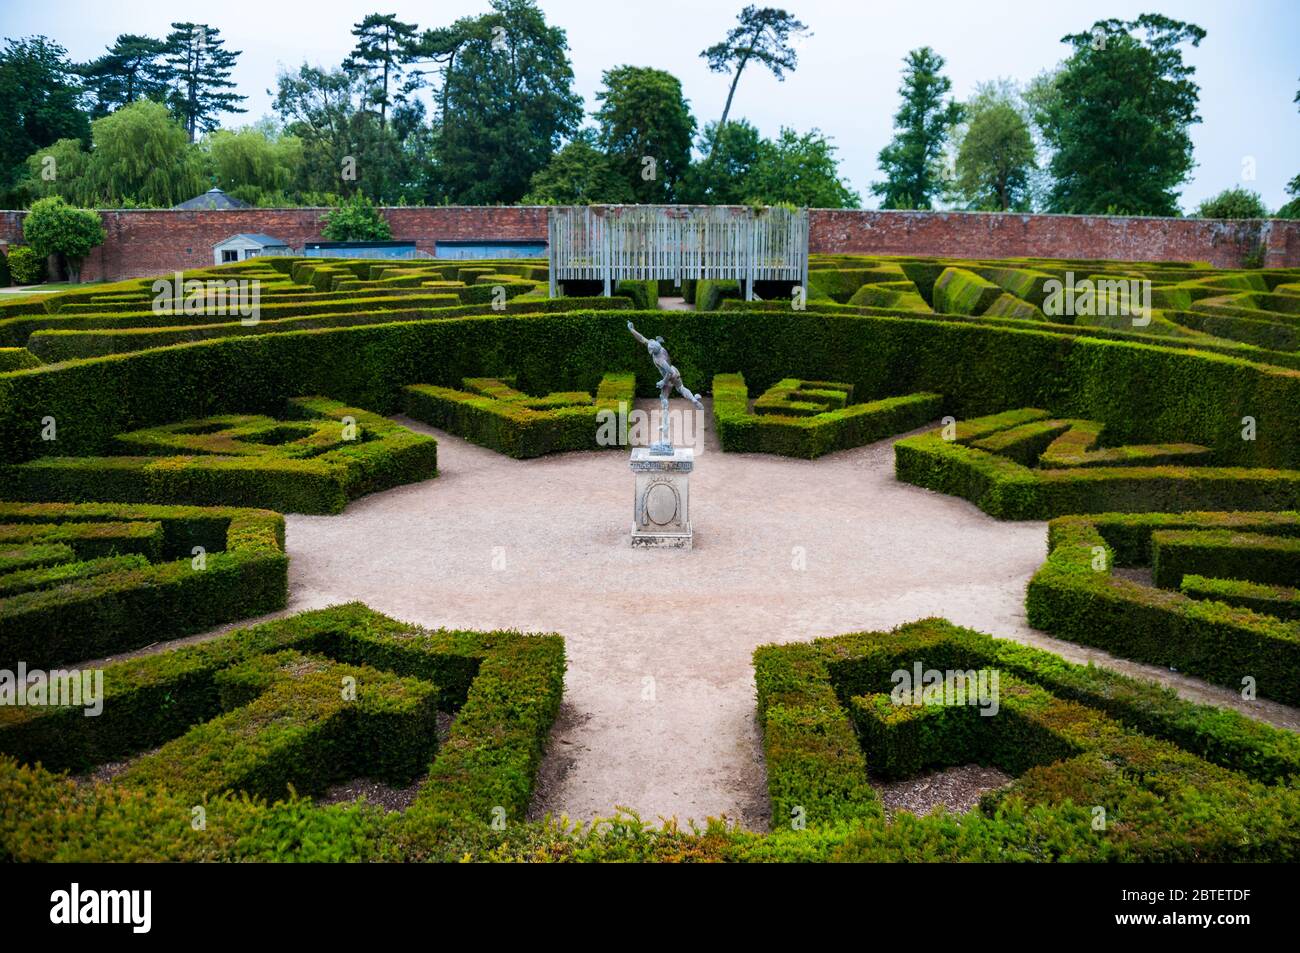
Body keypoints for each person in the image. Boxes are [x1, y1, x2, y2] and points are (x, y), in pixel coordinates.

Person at [628, 321, 704, 450]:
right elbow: (642, 339)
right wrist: (632, 330)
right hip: (675, 371)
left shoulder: (659, 359)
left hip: (669, 375)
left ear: (653, 350)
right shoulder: (659, 347)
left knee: (663, 399)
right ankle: (693, 399)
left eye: (650, 350)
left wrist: (663, 381)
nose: (649, 350)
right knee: (681, 388)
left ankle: (665, 425)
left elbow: (668, 372)